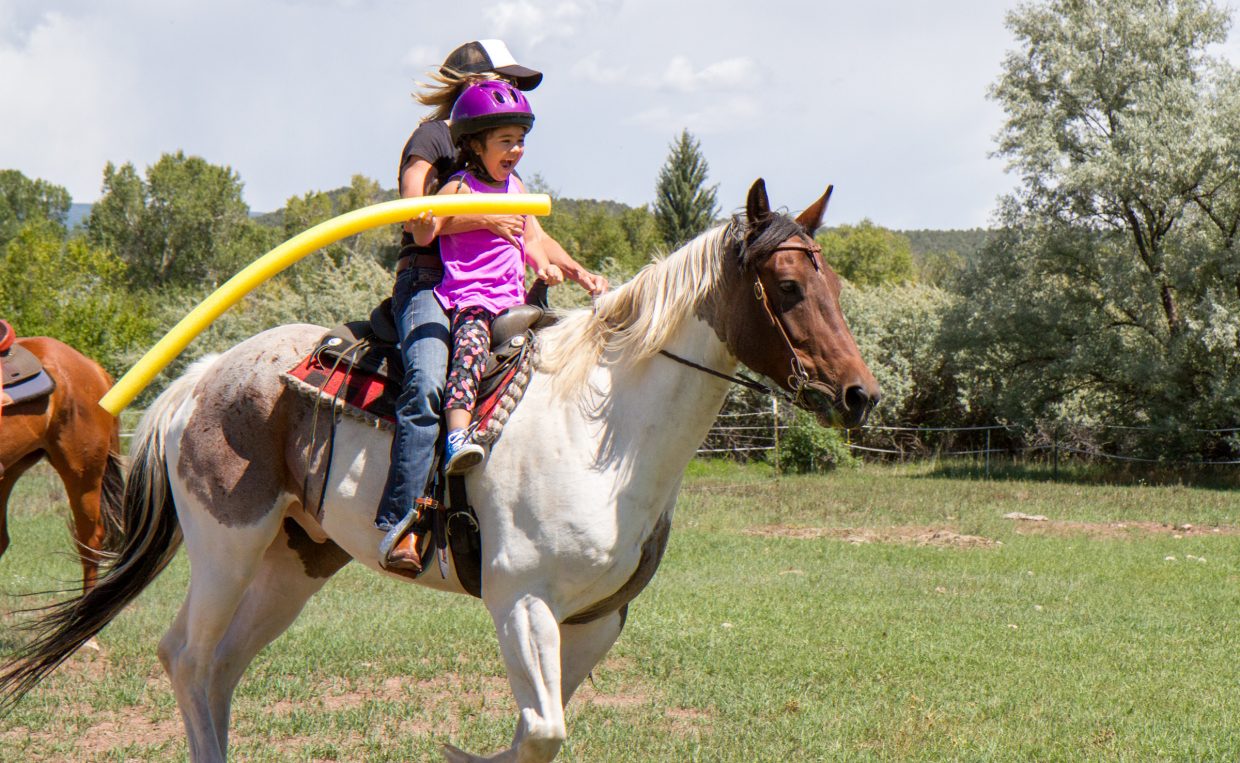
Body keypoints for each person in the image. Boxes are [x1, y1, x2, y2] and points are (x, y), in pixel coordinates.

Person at [376, 40, 606, 572]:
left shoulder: (507, 165)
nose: (512, 96)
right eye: (506, 83)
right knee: (429, 383)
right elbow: (420, 219)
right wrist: (484, 217)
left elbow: (533, 234)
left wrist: (572, 270)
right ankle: (404, 522)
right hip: (432, 280)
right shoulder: (434, 137)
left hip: (496, 288)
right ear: (472, 87)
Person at [410, 81, 552, 474]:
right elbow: (424, 234)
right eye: (506, 141)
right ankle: (456, 435)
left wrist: (545, 267)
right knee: (469, 353)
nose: (516, 150)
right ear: (475, 145)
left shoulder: (517, 186)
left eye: (520, 140)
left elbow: (530, 236)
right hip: (472, 297)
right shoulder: (459, 187)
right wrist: (422, 217)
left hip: (513, 299)